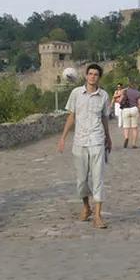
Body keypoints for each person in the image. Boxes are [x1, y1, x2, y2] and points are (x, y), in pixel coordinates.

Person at [57, 63, 112, 229]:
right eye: (90, 74)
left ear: (99, 77)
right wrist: (63, 138)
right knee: (81, 181)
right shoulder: (76, 94)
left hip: (96, 140)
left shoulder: (103, 96)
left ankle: (97, 215)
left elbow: (104, 118)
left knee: (98, 179)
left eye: (96, 74)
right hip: (80, 141)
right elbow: (72, 116)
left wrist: (108, 137)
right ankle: (86, 207)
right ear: (86, 76)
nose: (93, 77)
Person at [120, 81, 140, 149]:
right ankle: (134, 143)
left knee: (126, 127)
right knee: (134, 128)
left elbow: (120, 101)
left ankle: (126, 137)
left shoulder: (124, 91)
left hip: (125, 110)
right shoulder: (137, 92)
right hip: (134, 109)